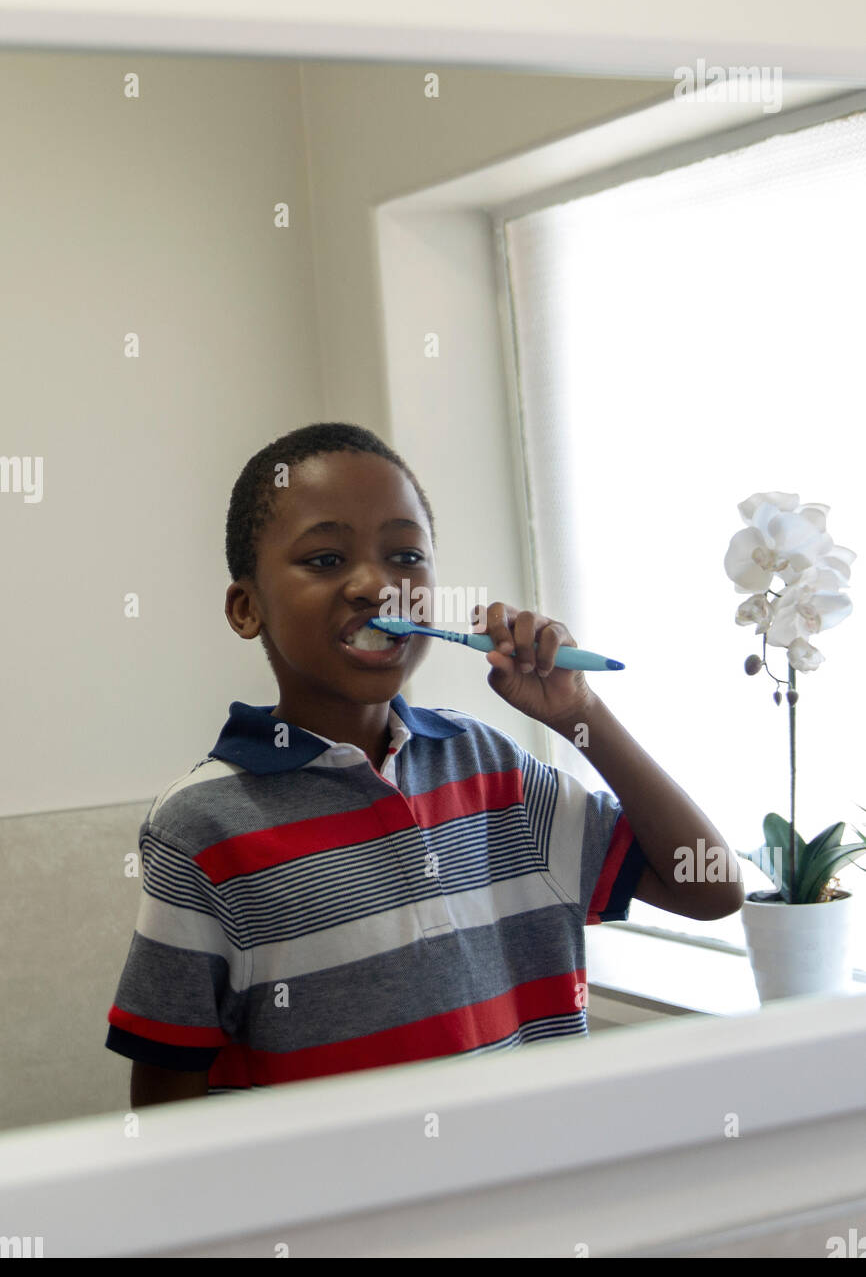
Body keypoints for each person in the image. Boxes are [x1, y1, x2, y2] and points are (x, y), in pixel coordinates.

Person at [105, 423, 743, 1107]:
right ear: (246, 607)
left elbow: (708, 889)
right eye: (324, 559)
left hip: (539, 1196)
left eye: (406, 556)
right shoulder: (202, 826)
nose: (377, 584)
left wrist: (579, 713)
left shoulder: (493, 768)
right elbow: (168, 1100)